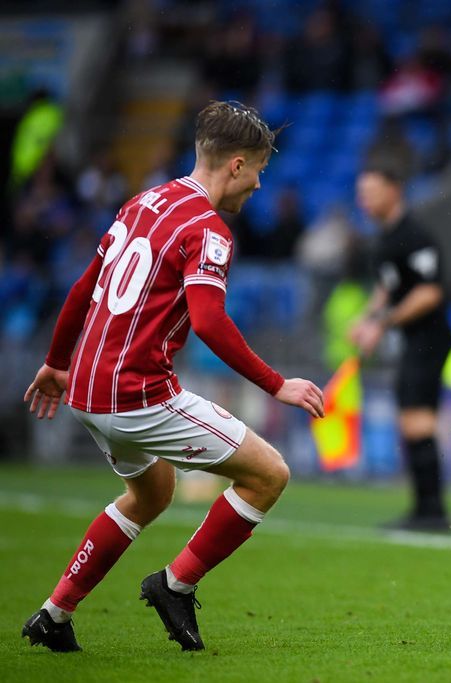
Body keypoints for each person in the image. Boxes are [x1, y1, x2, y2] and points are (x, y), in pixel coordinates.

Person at [20, 101, 325, 653]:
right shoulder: (209, 231)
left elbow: (85, 285)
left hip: (86, 390)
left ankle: (54, 613)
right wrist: (277, 384)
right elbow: (208, 320)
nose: (258, 185)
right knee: (268, 474)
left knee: (153, 492)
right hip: (135, 394)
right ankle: (175, 584)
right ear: (235, 165)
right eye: (257, 170)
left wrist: (57, 361)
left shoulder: (144, 201)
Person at [350, 158, 451, 532]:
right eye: (361, 194)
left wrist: (382, 323)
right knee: (409, 420)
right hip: (413, 341)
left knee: (417, 420)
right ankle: (425, 509)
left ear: (395, 190)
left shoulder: (416, 235)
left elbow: (429, 292)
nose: (364, 200)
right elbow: (388, 289)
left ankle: (432, 511)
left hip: (430, 340)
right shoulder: (384, 240)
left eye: (371, 192)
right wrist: (366, 318)